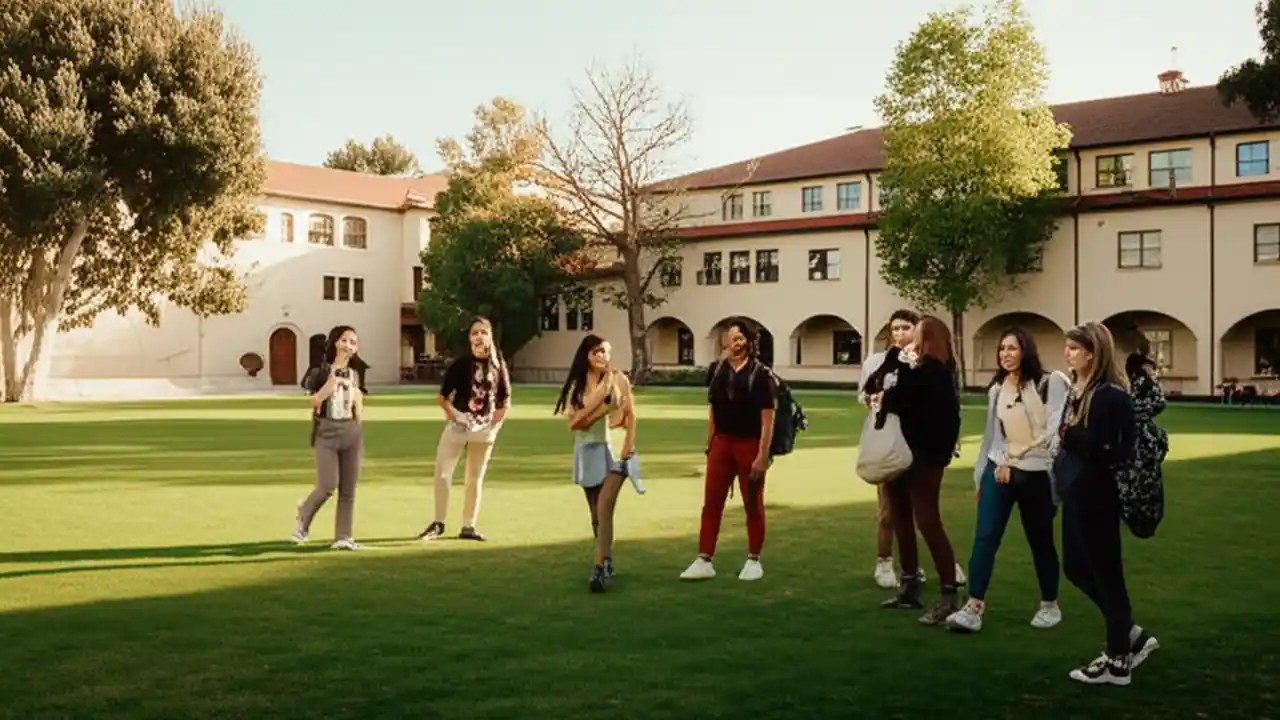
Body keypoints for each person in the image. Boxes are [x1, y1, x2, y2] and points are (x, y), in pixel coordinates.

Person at [946, 327, 1069, 633]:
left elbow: (1054, 433)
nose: (1006, 354)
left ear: (1026, 350)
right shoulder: (997, 388)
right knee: (985, 537)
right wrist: (989, 470)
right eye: (1002, 349)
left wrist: (1013, 461)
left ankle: (1049, 604)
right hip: (999, 470)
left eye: (1012, 349)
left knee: (1040, 540)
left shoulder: (1050, 382)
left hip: (1036, 473)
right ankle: (973, 606)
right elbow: (993, 435)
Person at [1059, 322, 1158, 686]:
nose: (1067, 354)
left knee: (1106, 575)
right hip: (1075, 491)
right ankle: (1130, 635)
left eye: (1073, 348)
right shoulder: (1078, 390)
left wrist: (1070, 435)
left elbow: (1112, 449)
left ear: (1092, 353)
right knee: (1074, 568)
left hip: (1099, 496)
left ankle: (1119, 659)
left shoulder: (1110, 395)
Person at [861, 309, 965, 589]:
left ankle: (946, 587)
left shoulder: (932, 372)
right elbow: (883, 393)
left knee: (926, 519)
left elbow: (897, 400)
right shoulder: (920, 368)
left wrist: (902, 368)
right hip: (906, 454)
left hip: (922, 459)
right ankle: (910, 582)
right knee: (901, 517)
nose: (908, 340)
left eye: (915, 334)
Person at [680, 317, 776, 582]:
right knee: (711, 503)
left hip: (749, 444)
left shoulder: (761, 375)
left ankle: (754, 559)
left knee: (752, 504)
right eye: (730, 339)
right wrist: (710, 443)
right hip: (722, 443)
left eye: (739, 338)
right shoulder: (717, 370)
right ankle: (704, 558)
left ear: (748, 341)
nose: (734, 344)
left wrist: (762, 455)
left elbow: (768, 418)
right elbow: (713, 409)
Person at [553, 334, 642, 593]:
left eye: (605, 351)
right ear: (586, 355)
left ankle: (599, 568)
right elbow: (575, 423)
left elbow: (631, 415)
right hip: (587, 451)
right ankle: (607, 558)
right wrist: (601, 406)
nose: (602, 356)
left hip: (615, 451)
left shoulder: (619, 380)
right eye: (596, 352)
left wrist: (628, 447)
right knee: (596, 514)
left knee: (604, 507)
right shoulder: (577, 386)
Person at [416, 317, 511, 542]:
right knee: (442, 474)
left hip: (484, 430)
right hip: (459, 426)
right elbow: (442, 397)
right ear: (469, 338)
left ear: (490, 337)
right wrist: (456, 416)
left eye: (483, 332)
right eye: (474, 333)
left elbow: (504, 400)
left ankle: (468, 525)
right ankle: (438, 522)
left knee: (475, 478)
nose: (479, 336)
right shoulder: (461, 364)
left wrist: (494, 425)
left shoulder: (498, 364)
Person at [293, 325, 367, 550]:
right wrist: (327, 387)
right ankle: (303, 519)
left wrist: (358, 400)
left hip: (351, 432)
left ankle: (343, 536)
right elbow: (314, 402)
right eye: (344, 340)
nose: (348, 345)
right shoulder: (321, 371)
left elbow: (359, 409)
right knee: (327, 485)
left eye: (353, 342)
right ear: (335, 342)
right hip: (326, 431)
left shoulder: (355, 374)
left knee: (348, 489)